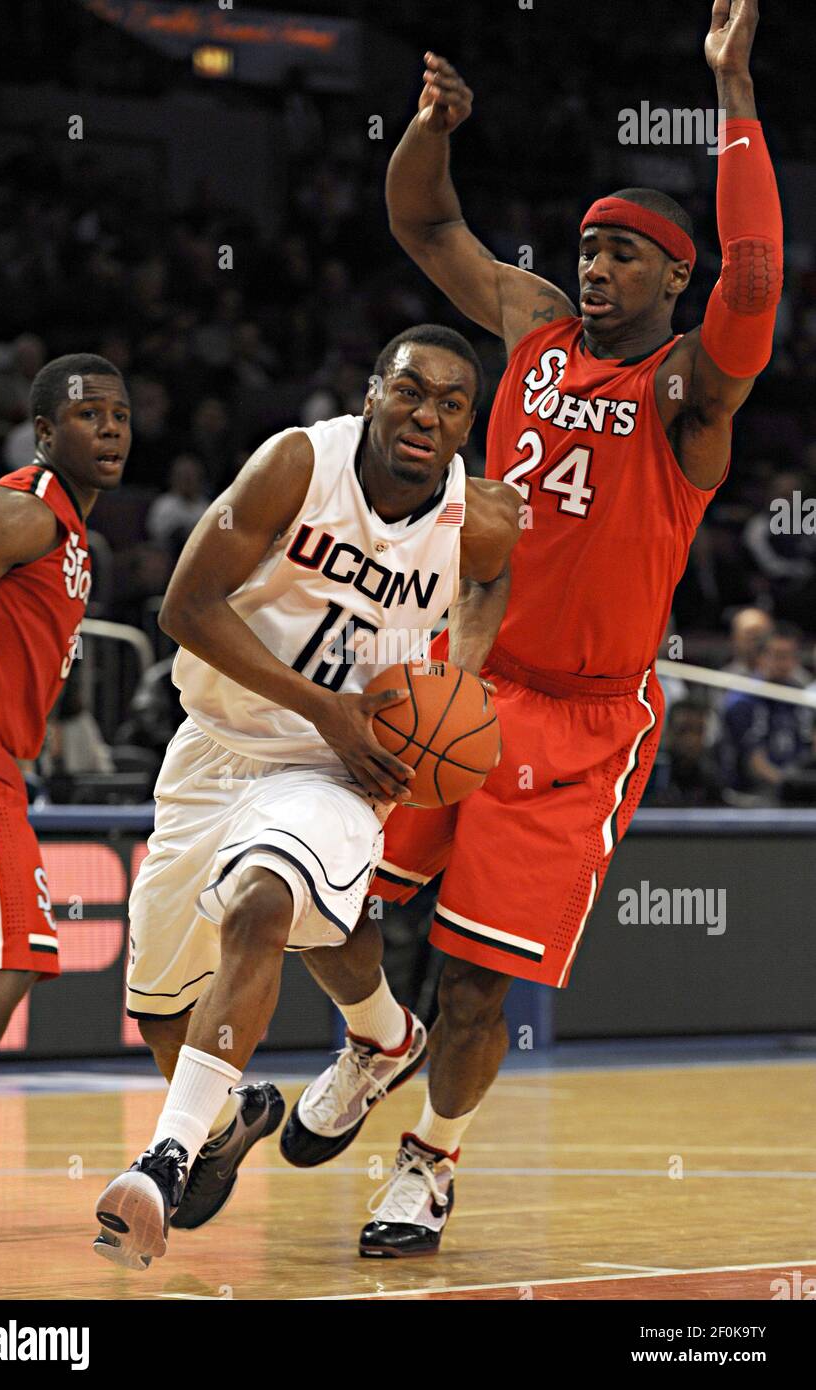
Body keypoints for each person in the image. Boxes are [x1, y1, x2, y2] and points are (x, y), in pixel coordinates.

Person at [278, 1, 785, 1256]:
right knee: (322, 893)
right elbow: (422, 221)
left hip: (583, 717)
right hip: (462, 672)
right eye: (587, 248)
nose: (598, 267)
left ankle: (428, 1164)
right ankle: (369, 1038)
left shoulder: (684, 394)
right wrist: (430, 125)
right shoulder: (529, 327)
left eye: (625, 254)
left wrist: (730, 96)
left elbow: (760, 279)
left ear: (675, 277)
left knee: (476, 974)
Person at [92, 324, 520, 1270]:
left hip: (342, 768)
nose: (428, 414)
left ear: (467, 424)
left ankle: (162, 1162)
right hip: (213, 750)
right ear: (372, 391)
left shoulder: (479, 515)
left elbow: (491, 575)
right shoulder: (298, 463)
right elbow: (184, 608)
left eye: (453, 403)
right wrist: (326, 708)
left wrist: (466, 678)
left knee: (264, 905)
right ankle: (266, 1096)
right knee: (161, 1006)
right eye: (411, 391)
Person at [0, 353, 130, 1239]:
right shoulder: (19, 510)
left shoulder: (75, 537)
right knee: (17, 945)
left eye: (121, 414)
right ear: (47, 434)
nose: (113, 427)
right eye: (90, 416)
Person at [720, 623, 813, 799]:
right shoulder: (742, 701)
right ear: (761, 658)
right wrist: (789, 785)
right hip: (750, 795)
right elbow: (753, 762)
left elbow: (807, 748)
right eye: (778, 656)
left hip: (796, 789)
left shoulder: (800, 697)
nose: (784, 664)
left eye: (790, 656)